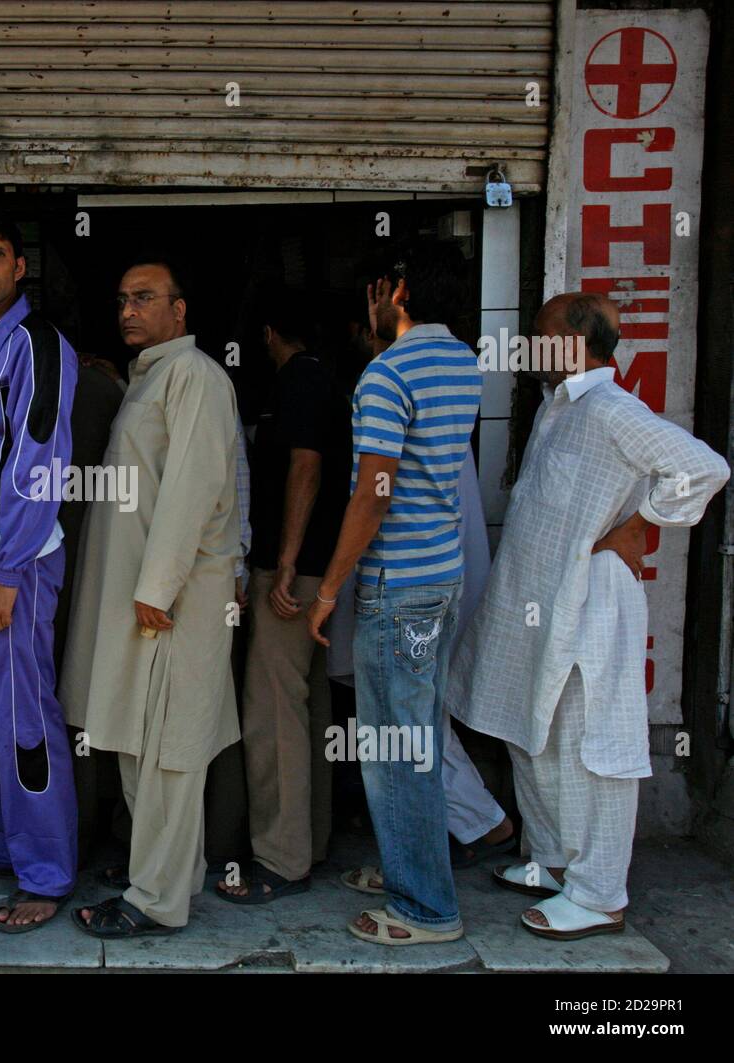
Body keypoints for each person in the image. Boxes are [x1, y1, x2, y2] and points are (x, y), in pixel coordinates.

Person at [448, 292, 729, 940]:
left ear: (574, 342)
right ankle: (549, 860)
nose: (530, 346)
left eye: (542, 335)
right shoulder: (558, 405)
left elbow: (703, 468)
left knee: (590, 745)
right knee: (532, 733)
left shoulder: (610, 408)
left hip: (590, 605)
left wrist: (639, 524)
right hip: (538, 604)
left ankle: (600, 893)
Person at [306, 244, 482, 945]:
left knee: (393, 750)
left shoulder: (387, 373)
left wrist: (330, 588)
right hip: (440, 576)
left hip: (397, 586)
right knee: (419, 741)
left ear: (398, 292)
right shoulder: (462, 362)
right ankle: (411, 870)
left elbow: (372, 496)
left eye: (378, 291)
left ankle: (426, 909)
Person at [63, 256, 240, 937]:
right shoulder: (151, 379)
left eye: (144, 298)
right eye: (122, 300)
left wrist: (156, 588)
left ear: (180, 309)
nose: (129, 310)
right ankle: (169, 872)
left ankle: (155, 900)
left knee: (167, 748)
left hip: (170, 602)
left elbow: (194, 487)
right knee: (143, 744)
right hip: (143, 601)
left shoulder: (194, 376)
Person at [0, 206, 79, 931]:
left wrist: (7, 570)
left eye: (0, 251)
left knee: (28, 712)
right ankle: (2, 844)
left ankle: (46, 871)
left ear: (20, 267)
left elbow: (40, 460)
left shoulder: (36, 343)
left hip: (14, 563)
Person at [217, 289, 350, 904]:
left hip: (290, 574)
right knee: (305, 709)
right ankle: (308, 842)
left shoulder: (299, 381)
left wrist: (287, 564)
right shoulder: (327, 381)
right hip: (316, 574)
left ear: (269, 334)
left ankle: (279, 859)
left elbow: (306, 467)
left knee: (273, 716)